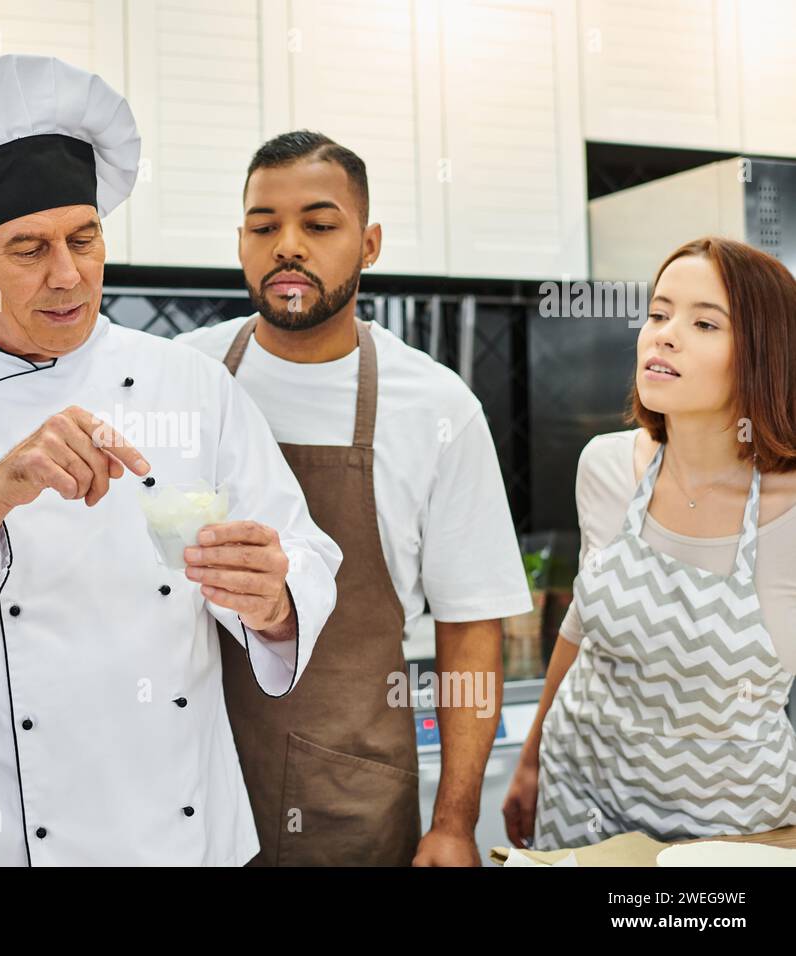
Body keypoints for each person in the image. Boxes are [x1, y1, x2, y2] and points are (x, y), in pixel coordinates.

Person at [0, 56, 341, 866]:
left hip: (182, 838)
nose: (68, 274)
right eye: (28, 249)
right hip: (4, 841)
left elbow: (301, 551)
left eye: (84, 239)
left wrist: (275, 599)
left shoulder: (188, 384)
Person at [174, 131, 533, 866]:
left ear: (369, 243)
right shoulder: (180, 379)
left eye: (319, 223)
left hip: (348, 800)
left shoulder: (435, 408)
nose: (287, 246)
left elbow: (471, 631)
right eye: (264, 226)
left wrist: (455, 823)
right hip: (182, 786)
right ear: (240, 240)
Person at [503, 236, 796, 850]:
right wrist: (529, 759)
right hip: (580, 805)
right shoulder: (606, 468)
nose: (663, 334)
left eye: (704, 322)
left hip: (731, 836)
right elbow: (582, 626)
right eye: (658, 314)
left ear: (766, 355)